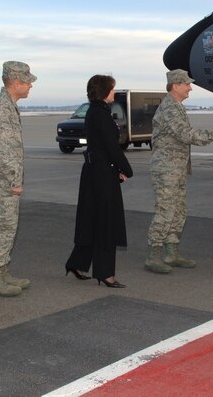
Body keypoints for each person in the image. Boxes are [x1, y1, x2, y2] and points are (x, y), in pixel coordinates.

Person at [144, 69, 213, 274]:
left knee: (178, 210)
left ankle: (171, 253)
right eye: (187, 84)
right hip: (166, 169)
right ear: (175, 86)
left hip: (176, 169)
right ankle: (153, 256)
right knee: (165, 211)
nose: (190, 87)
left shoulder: (177, 107)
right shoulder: (170, 109)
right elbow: (185, 134)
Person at [65, 75, 134, 287]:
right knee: (106, 222)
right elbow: (112, 147)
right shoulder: (101, 114)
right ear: (104, 90)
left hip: (96, 171)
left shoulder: (94, 111)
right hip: (102, 174)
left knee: (92, 219)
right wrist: (126, 169)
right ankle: (105, 273)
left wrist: (115, 169)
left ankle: (77, 263)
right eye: (112, 89)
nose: (114, 92)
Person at [0, 61, 36, 297]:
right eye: (27, 82)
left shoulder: (8, 105)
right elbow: (3, 148)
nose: (30, 87)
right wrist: (14, 179)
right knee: (1, 228)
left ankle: (2, 271)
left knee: (7, 228)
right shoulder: (2, 107)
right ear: (16, 83)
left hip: (3, 180)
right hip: (1, 182)